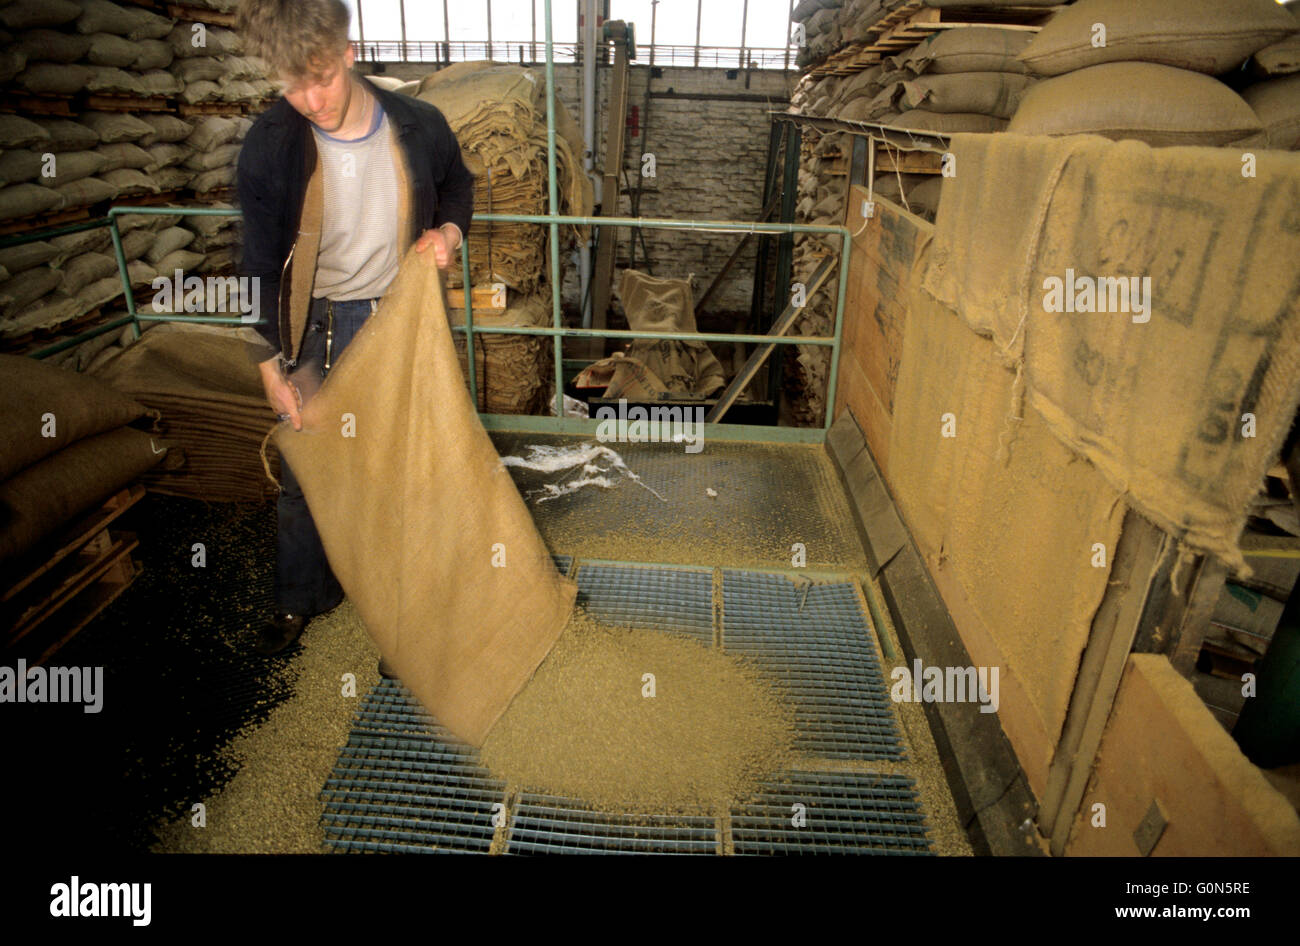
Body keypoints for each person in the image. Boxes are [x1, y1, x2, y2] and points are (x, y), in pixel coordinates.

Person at [235, 0, 474, 657]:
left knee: (403, 473)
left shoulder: (419, 125)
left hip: (398, 320)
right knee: (307, 470)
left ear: (348, 52)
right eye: (291, 84)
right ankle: (299, 602)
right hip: (314, 321)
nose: (309, 100)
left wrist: (448, 231)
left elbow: (459, 187)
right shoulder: (271, 143)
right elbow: (256, 261)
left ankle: (404, 626)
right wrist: (268, 361)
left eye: (321, 78)